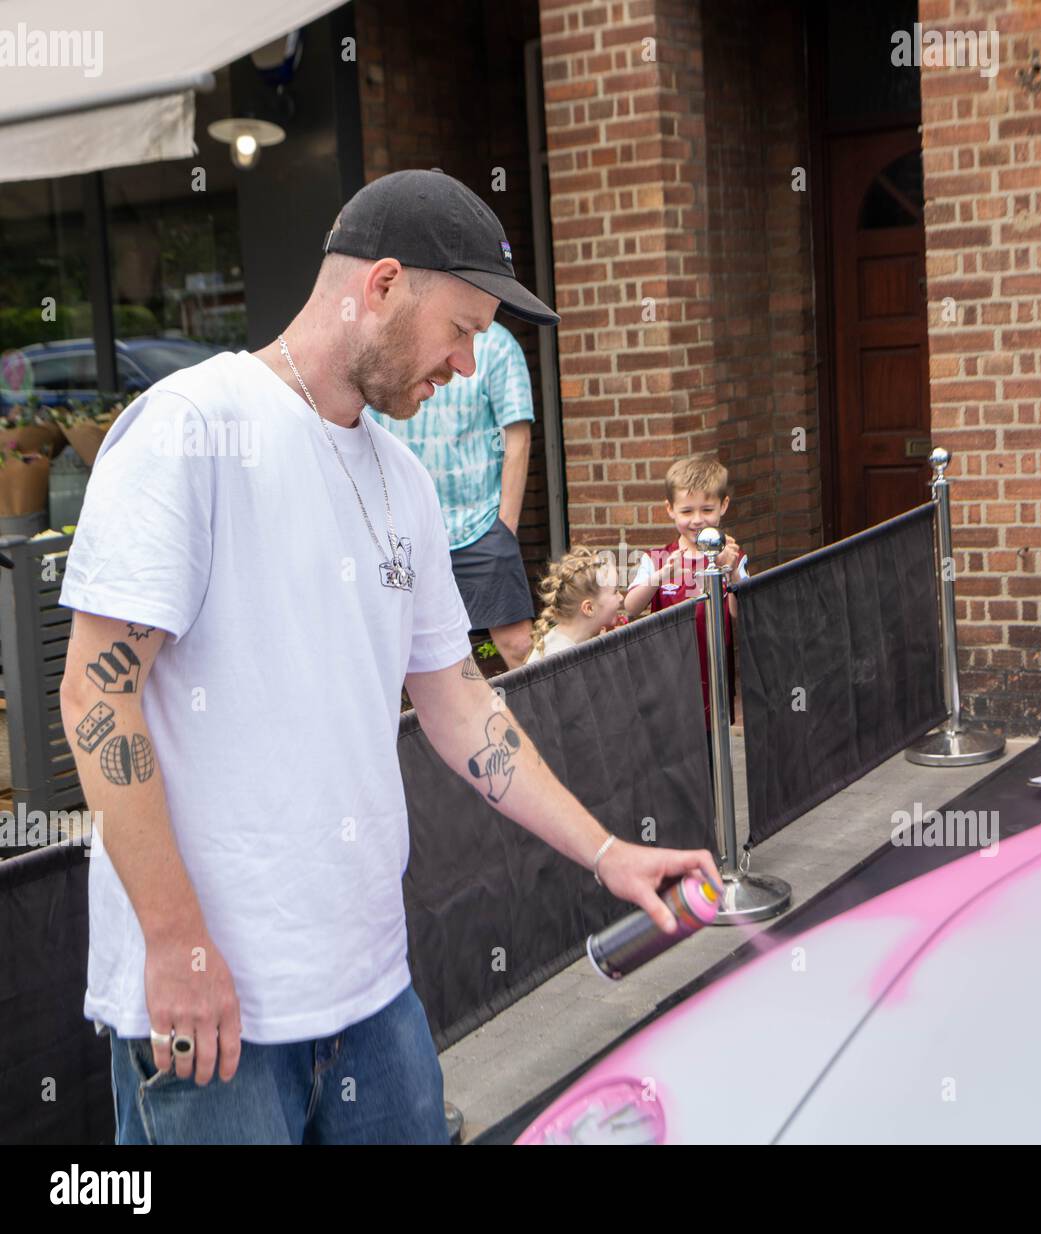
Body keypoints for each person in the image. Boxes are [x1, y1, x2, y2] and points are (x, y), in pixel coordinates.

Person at [57, 169, 721, 1146]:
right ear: (381, 286)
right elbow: (95, 697)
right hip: (217, 1009)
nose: (465, 363)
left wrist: (607, 851)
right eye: (460, 328)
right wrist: (175, 942)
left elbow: (461, 704)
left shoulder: (403, 480)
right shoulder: (190, 429)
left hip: (372, 994)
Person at [368, 319, 537, 670]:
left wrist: (504, 526)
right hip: (405, 531)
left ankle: (536, 726)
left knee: (518, 646)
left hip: (481, 525)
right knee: (402, 656)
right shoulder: (389, 345)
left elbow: (516, 438)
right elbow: (366, 431)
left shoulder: (499, 346)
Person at [623, 454, 749, 728]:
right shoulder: (657, 558)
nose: (697, 520)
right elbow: (631, 607)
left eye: (707, 510)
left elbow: (741, 613)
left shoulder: (732, 555)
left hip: (714, 672)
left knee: (713, 749)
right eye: (686, 511)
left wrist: (732, 571)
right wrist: (661, 575)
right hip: (668, 675)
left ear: (723, 506)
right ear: (669, 509)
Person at [525, 545, 625, 664]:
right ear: (589, 608)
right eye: (615, 592)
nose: (621, 597)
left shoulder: (572, 643)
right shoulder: (562, 659)